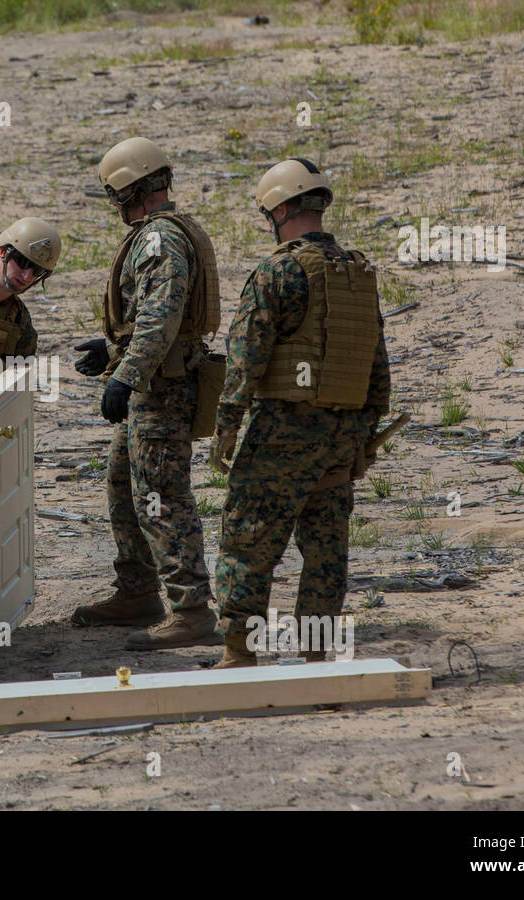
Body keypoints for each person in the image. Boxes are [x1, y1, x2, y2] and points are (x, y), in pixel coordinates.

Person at [211, 158, 391, 667]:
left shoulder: (278, 271)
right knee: (326, 549)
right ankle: (316, 652)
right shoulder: (358, 272)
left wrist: (226, 425)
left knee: (248, 539)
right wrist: (364, 435)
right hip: (343, 432)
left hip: (285, 432)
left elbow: (246, 358)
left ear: (283, 208)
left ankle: (239, 653)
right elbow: (377, 362)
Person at [71, 137, 221, 650]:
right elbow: (153, 319)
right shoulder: (161, 234)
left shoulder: (159, 240)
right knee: (123, 488)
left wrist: (125, 374)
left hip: (161, 390)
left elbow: (162, 316)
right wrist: (114, 350)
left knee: (161, 499)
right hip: (152, 383)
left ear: (126, 191)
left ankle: (192, 609)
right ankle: (138, 591)